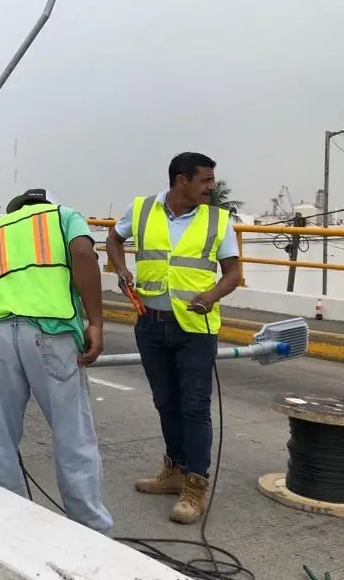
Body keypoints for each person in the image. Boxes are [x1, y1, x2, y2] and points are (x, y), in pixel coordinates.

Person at [0, 188, 113, 536]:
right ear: (43, 204)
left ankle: (10, 530)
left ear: (14, 210)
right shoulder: (63, 216)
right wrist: (96, 322)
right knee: (73, 436)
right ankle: (90, 531)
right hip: (51, 334)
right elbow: (84, 253)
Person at [105, 152, 242, 525]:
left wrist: (211, 296)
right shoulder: (143, 209)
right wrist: (122, 271)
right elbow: (112, 241)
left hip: (196, 329)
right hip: (150, 324)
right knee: (166, 402)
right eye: (205, 181)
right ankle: (175, 469)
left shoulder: (217, 219)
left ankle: (195, 486)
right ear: (182, 180)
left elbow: (233, 273)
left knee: (194, 407)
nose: (211, 188)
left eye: (213, 181)